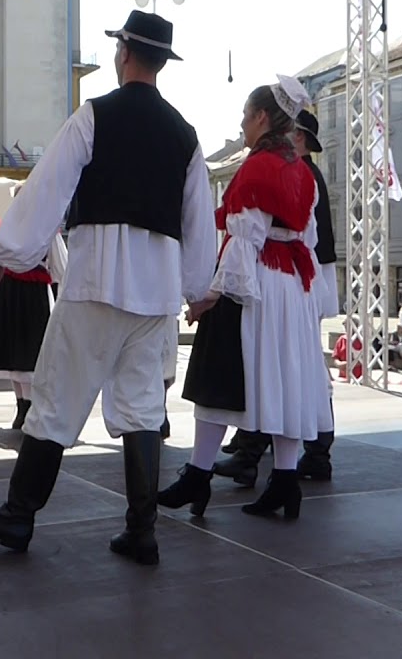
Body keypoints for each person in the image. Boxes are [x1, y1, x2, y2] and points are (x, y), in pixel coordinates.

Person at [0, 10, 217, 566]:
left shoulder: (93, 116)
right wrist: (195, 290)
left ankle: (19, 514)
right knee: (143, 407)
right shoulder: (186, 137)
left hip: (97, 277)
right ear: (162, 63)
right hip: (156, 288)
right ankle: (142, 529)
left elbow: (44, 194)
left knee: (55, 400)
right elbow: (199, 222)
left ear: (122, 55)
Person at [157, 75, 327, 522]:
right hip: (294, 285)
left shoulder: (257, 167)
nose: (243, 126)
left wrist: (210, 295)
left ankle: (197, 475)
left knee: (217, 374)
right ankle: (286, 482)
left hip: (258, 285)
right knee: (288, 382)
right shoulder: (303, 173)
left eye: (245, 118)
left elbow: (245, 239)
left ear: (262, 117)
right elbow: (307, 238)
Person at [215, 107, 338, 485]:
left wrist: (222, 283)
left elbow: (254, 230)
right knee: (291, 363)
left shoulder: (290, 171)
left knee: (278, 362)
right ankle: (276, 458)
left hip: (285, 272)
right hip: (300, 273)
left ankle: (265, 452)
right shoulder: (304, 173)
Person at [0, 185, 68, 431]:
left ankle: (24, 408)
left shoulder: (8, 228)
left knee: (23, 353)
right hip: (23, 293)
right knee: (22, 353)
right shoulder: (43, 229)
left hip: (17, 293)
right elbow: (61, 268)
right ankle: (24, 409)